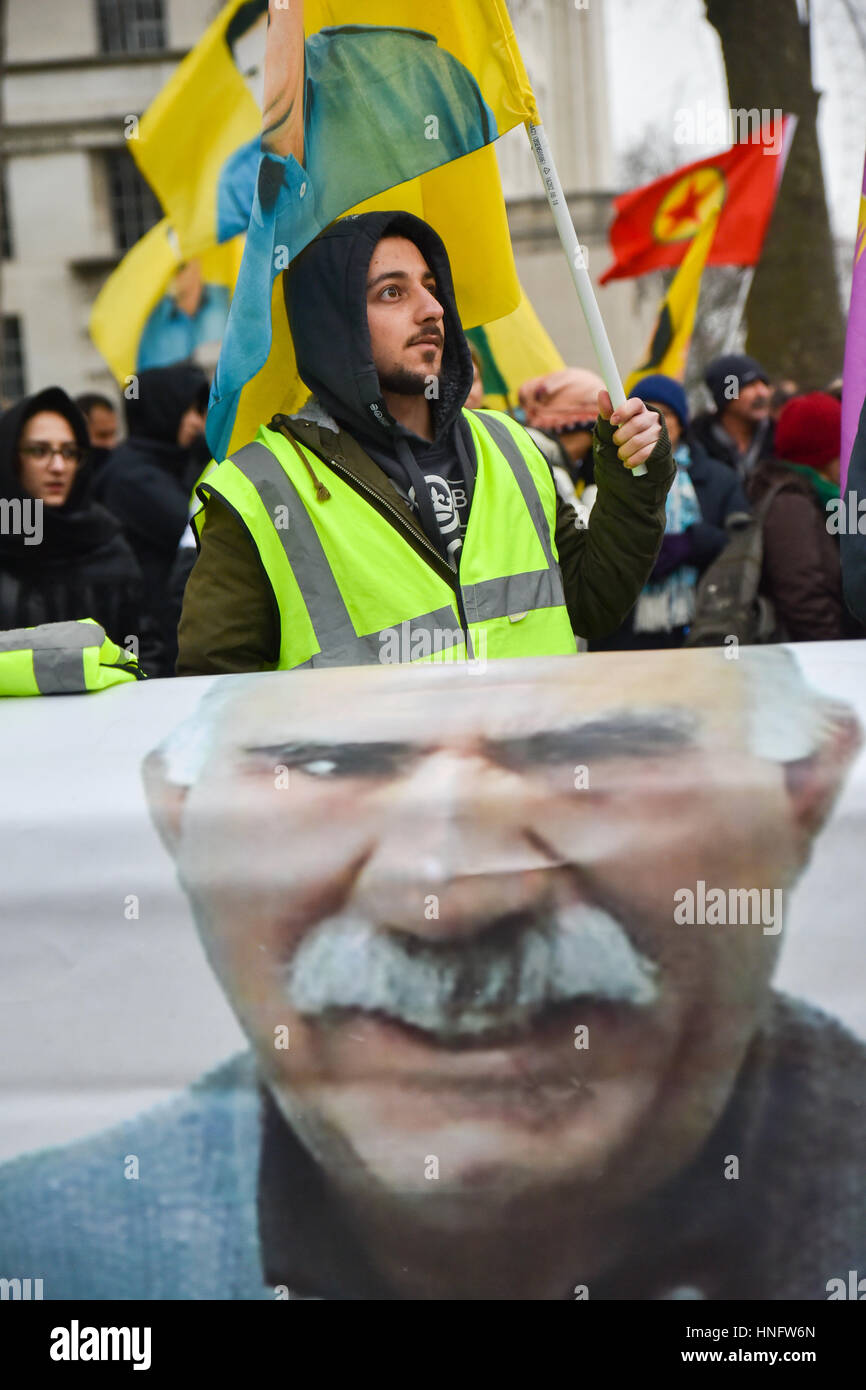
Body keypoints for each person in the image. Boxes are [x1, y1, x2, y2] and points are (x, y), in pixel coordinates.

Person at [1, 647, 864, 1300]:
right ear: (178, 819)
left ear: (806, 789)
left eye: (590, 754)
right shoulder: (33, 1243)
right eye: (334, 764)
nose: (447, 900)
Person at [178, 212, 674, 675]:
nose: (432, 309)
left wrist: (633, 477)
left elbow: (592, 603)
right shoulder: (257, 490)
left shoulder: (509, 444)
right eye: (392, 293)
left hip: (530, 764)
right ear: (335, 326)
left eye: (431, 288)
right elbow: (220, 694)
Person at [590, 374, 751, 650]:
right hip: (622, 637)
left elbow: (741, 546)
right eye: (643, 412)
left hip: (699, 630)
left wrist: (691, 543)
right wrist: (639, 554)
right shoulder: (606, 472)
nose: (651, 422)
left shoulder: (718, 478)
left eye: (662, 414)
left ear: (681, 422)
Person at [0, 387, 148, 655]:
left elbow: (144, 651)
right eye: (39, 451)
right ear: (11, 458)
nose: (58, 466)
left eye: (69, 453)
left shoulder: (105, 541)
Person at [98, 364, 209, 676]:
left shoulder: (166, 462)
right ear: (163, 411)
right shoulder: (131, 475)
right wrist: (203, 456)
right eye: (187, 409)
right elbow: (193, 530)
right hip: (155, 635)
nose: (197, 421)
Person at [747, 392, 861, 642]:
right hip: (817, 661)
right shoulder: (791, 506)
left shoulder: (816, 498)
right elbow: (804, 597)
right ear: (824, 455)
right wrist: (835, 659)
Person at [519, 366, 604, 513]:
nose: (597, 444)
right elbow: (585, 532)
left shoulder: (525, 452)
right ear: (572, 425)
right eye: (595, 432)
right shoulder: (551, 475)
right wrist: (594, 493)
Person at [691, 352, 773, 478]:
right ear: (728, 394)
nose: (762, 392)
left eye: (764, 384)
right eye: (750, 384)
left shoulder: (780, 439)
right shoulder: (695, 445)